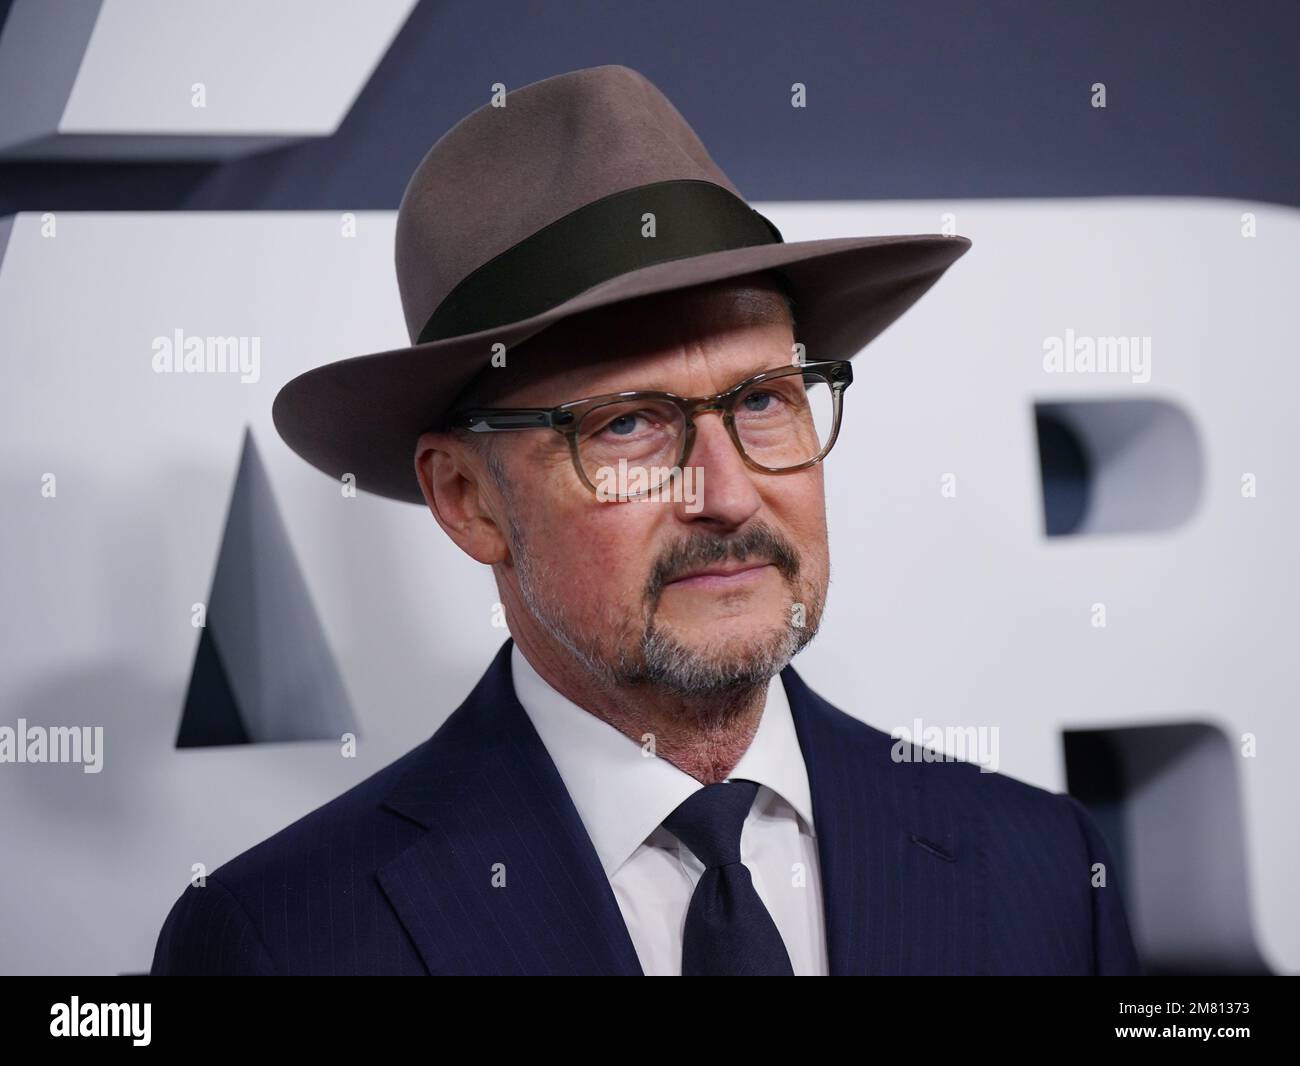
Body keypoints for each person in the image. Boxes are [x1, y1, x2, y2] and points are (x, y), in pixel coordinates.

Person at [151, 64, 1140, 976]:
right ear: (469, 498)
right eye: (628, 424)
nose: (729, 493)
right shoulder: (283, 940)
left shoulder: (1041, 866)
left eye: (761, 399)